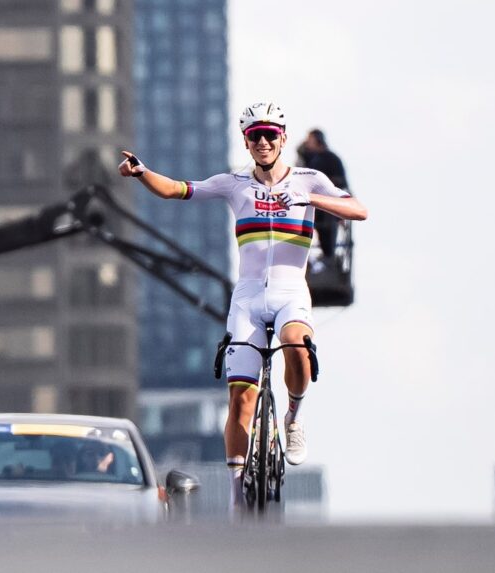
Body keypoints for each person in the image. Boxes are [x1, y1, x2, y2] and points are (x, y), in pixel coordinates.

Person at [118, 102, 367, 510]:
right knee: (240, 400)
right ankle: (237, 495)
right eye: (255, 136)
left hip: (291, 291)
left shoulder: (309, 179)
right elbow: (177, 189)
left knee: (297, 347)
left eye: (270, 134)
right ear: (246, 141)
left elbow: (359, 210)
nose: (263, 141)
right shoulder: (234, 183)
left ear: (283, 139)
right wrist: (142, 172)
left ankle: (293, 417)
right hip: (248, 298)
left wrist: (313, 200)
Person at [297, 129, 349, 262]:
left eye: (310, 140)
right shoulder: (312, 159)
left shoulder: (332, 159)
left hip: (328, 209)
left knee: (328, 242)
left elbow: (341, 183)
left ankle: (327, 262)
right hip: (312, 207)